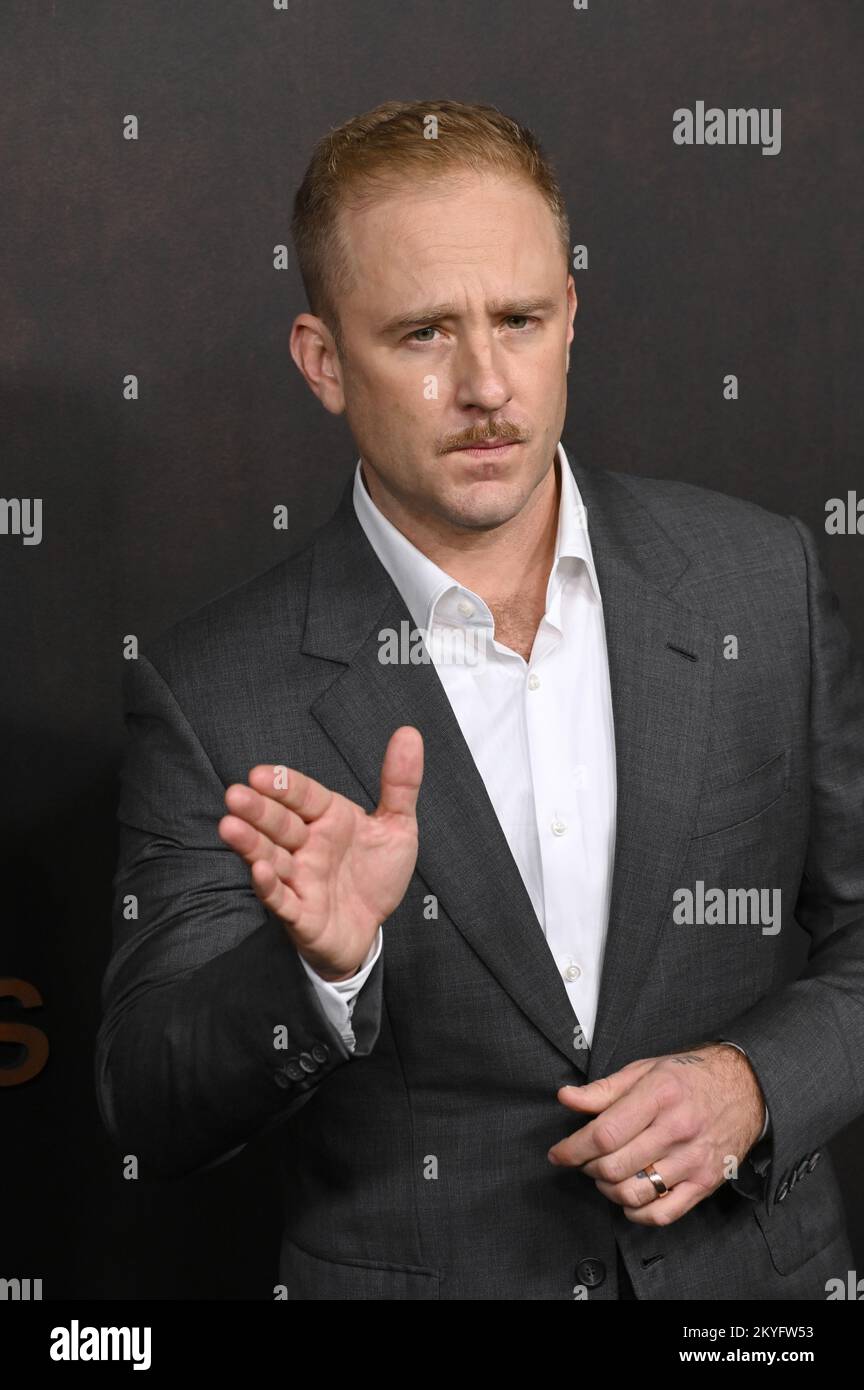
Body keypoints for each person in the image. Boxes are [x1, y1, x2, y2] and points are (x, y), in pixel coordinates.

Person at [95, 98, 864, 1300]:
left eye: (519, 318)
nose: (486, 382)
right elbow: (149, 1099)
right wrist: (319, 975)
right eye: (421, 335)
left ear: (572, 318)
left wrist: (755, 1082)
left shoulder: (757, 582)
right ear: (323, 362)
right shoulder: (212, 688)